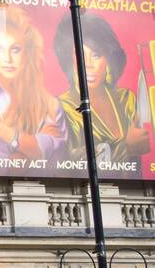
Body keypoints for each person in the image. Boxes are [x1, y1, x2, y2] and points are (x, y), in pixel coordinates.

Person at [0, 5, 67, 162]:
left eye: (15, 49)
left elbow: (52, 154)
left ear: (27, 52)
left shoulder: (49, 105)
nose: (8, 58)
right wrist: (27, 148)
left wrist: (2, 131)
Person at [53, 12, 151, 166]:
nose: (88, 65)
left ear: (108, 60)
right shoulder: (60, 108)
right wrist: (125, 147)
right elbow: (65, 161)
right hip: (82, 189)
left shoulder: (126, 99)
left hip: (132, 188)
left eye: (96, 55)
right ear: (69, 60)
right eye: (81, 56)